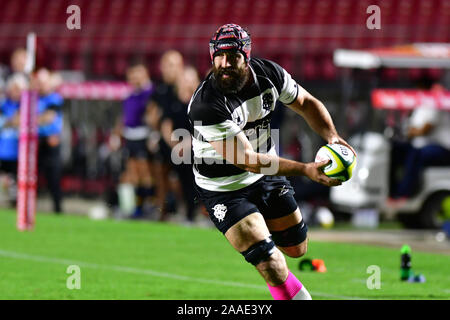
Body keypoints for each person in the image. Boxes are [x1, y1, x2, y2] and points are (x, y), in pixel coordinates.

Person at [188, 24, 355, 300]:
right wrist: (305, 170)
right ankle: (263, 252)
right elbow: (248, 161)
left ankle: (263, 243)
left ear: (247, 55)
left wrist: (332, 136)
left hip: (268, 176)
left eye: (233, 56)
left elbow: (306, 103)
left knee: (296, 249)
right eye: (219, 56)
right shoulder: (206, 105)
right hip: (224, 189)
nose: (225, 64)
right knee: (271, 263)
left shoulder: (270, 75)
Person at [390, 83, 450, 199]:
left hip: (442, 148)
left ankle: (405, 192)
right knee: (395, 150)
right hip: (421, 146)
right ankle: (391, 189)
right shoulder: (420, 106)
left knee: (415, 154)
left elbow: (424, 130)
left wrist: (408, 132)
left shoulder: (434, 103)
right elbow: (412, 129)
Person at [147, 50, 185, 220]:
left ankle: (188, 211)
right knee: (161, 176)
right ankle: (162, 211)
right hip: (166, 141)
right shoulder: (160, 89)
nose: (168, 69)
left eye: (172, 65)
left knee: (183, 179)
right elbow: (152, 115)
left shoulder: (186, 88)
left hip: (186, 140)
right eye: (166, 65)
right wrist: (154, 131)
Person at [159, 65, 200, 223]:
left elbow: (202, 129)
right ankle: (173, 209)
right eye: (184, 79)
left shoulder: (200, 102)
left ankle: (194, 211)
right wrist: (175, 144)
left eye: (190, 79)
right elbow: (166, 125)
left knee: (192, 177)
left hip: (197, 148)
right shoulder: (173, 101)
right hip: (176, 148)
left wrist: (187, 144)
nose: (187, 82)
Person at [115, 63, 155, 218]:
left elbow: (152, 115)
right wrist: (117, 134)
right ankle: (135, 206)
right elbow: (124, 118)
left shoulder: (150, 93)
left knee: (144, 171)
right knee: (132, 173)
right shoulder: (130, 96)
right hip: (129, 136)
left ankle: (149, 204)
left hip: (143, 136)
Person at [33, 68, 64, 213]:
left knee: (53, 177)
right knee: (32, 175)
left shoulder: (54, 98)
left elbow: (49, 117)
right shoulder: (33, 98)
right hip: (35, 140)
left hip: (50, 141)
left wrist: (29, 120)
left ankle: (58, 208)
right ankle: (30, 207)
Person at [0, 73, 27, 204]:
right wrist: (11, 121)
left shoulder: (26, 106)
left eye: (18, 89)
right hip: (3, 150)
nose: (15, 92)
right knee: (4, 179)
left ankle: (16, 203)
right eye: (13, 88)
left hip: (18, 151)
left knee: (15, 180)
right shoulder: (4, 105)